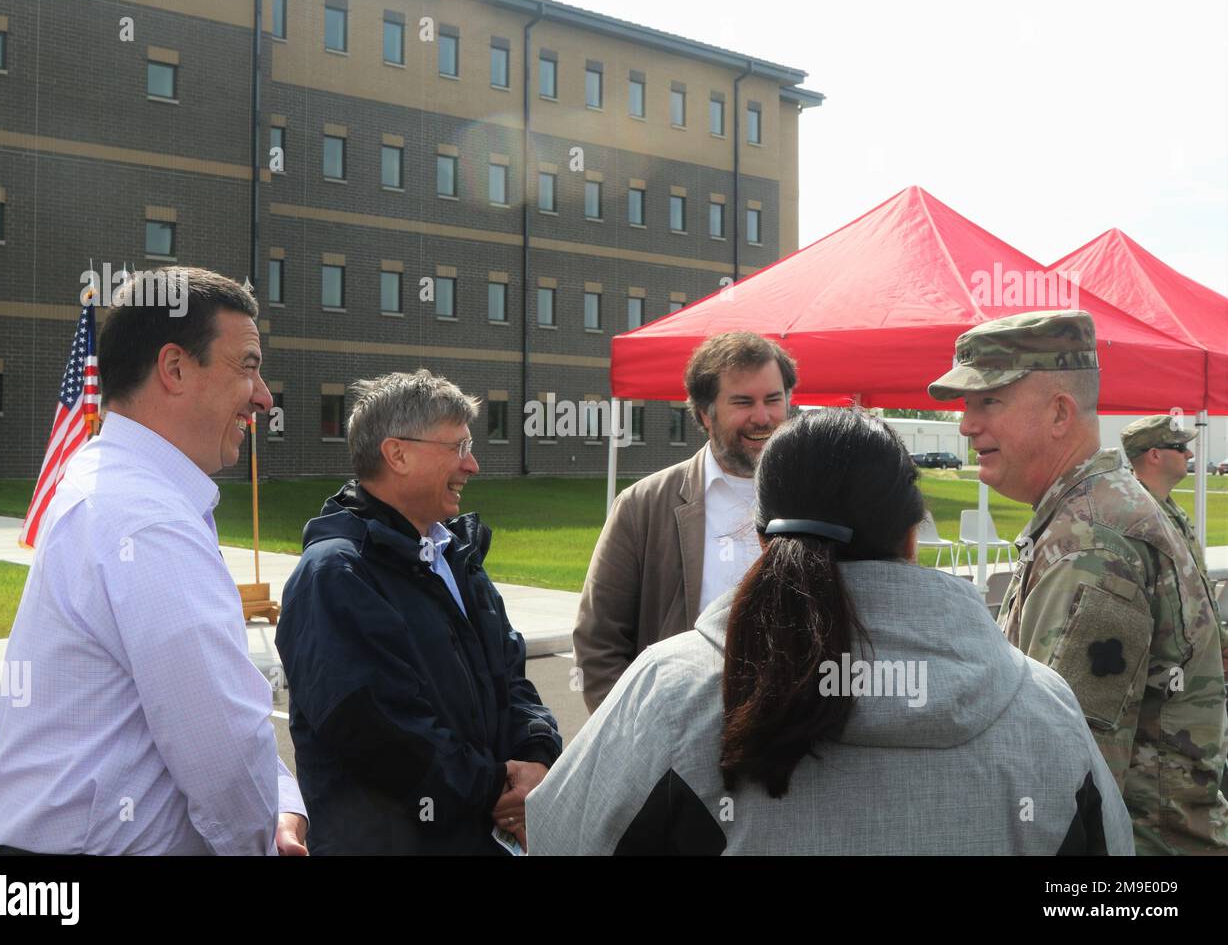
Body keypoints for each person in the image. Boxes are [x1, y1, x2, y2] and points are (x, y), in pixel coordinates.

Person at [527, 409, 1133, 854]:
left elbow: (561, 841)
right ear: (912, 536)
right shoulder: (1045, 708)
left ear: (763, 538)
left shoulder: (670, 694)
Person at [0, 268, 307, 855]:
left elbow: (209, 712)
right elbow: (221, 747)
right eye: (249, 365)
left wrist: (279, 799)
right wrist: (266, 835)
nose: (264, 395)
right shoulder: (147, 518)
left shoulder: (117, 485)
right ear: (175, 368)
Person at [928, 309, 1228, 855]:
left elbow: (1063, 773)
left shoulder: (1091, 544)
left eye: (987, 401)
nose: (967, 424)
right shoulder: (1091, 514)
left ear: (1059, 412)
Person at [275, 370, 562, 854]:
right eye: (458, 446)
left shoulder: (454, 555)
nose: (471, 465)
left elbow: (511, 677)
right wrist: (495, 786)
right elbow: (381, 736)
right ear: (397, 453)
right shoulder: (336, 574)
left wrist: (534, 756)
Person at [573, 331, 797, 712]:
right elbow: (599, 641)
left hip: (796, 743)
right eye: (743, 402)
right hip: (679, 736)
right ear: (704, 415)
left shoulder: (818, 498)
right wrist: (637, 738)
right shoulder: (642, 506)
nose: (763, 417)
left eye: (773, 400)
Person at [1121, 414, 1222, 625]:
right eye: (1179, 447)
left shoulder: (1170, 510)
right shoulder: (1132, 519)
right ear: (1155, 455)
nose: (1189, 453)